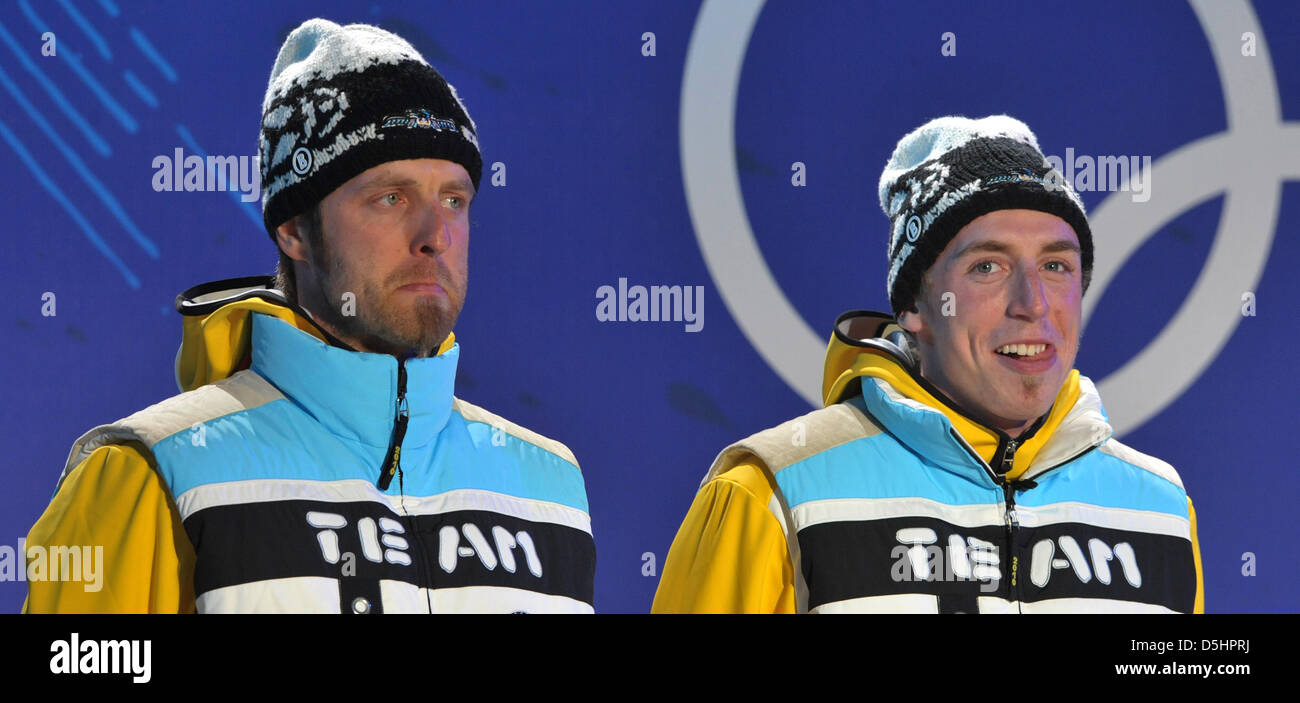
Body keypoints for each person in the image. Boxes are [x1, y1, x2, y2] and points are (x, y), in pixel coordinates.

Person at [24, 19, 595, 614]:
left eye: (453, 199)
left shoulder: (550, 487)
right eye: (390, 198)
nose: (435, 237)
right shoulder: (150, 473)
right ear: (294, 229)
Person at [653, 115, 1203, 614]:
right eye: (987, 265)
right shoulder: (773, 490)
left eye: (1056, 265)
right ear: (914, 306)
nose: (1033, 303)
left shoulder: (1159, 509)